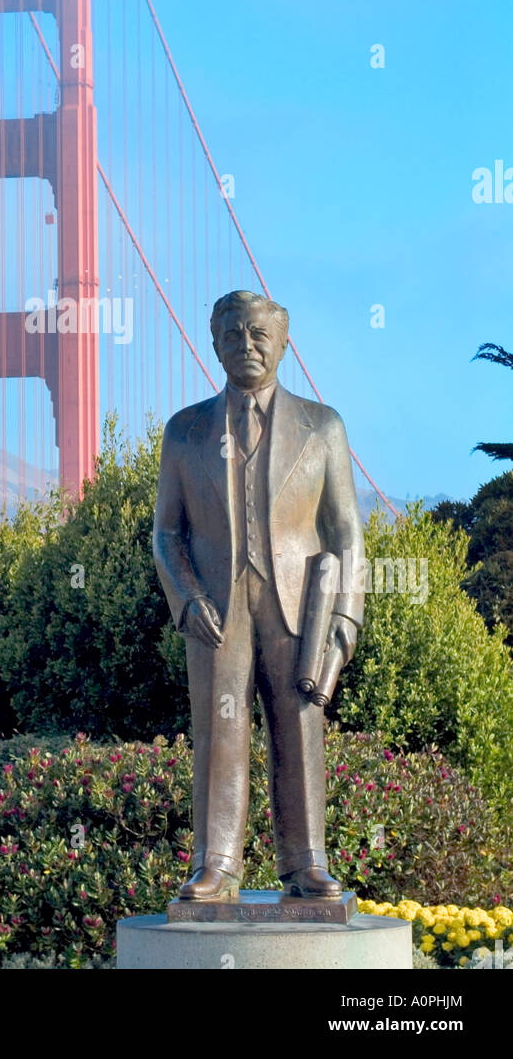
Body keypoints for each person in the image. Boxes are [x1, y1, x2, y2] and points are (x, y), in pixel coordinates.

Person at [153, 289, 365, 901]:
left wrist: (345, 619)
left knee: (300, 727)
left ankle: (306, 864)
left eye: (258, 334)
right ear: (214, 343)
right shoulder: (184, 431)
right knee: (218, 732)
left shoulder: (323, 427)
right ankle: (215, 864)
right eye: (232, 335)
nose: (245, 345)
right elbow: (166, 534)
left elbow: (348, 532)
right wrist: (187, 599)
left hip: (300, 606)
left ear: (282, 342)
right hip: (214, 608)